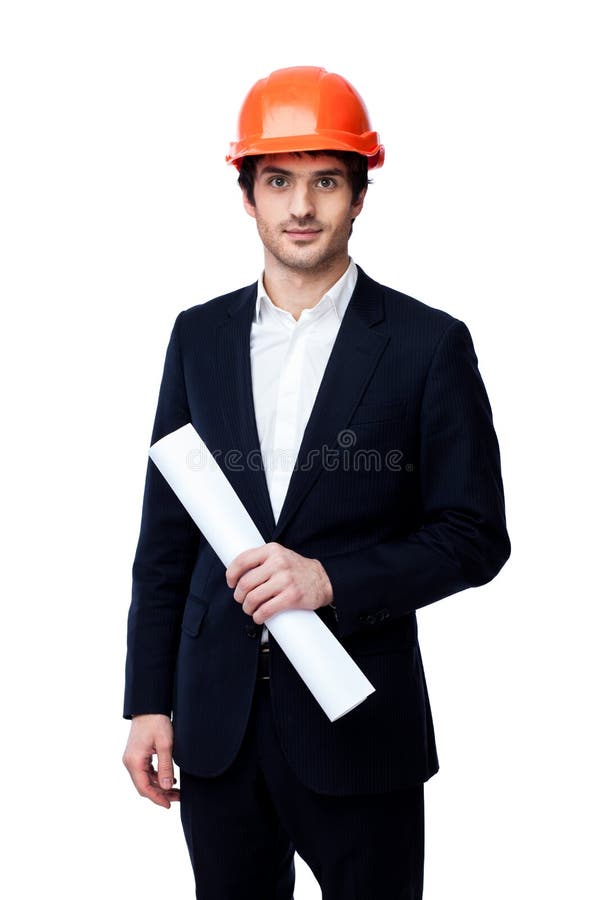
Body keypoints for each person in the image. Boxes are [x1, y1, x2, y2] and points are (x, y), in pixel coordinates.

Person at [122, 65, 511, 899]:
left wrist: (329, 580)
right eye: (279, 181)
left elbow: (474, 535)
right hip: (215, 725)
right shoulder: (197, 338)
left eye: (326, 181)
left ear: (360, 195)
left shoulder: (427, 345)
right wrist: (147, 701)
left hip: (360, 729)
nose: (301, 206)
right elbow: (166, 541)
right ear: (249, 196)